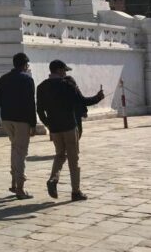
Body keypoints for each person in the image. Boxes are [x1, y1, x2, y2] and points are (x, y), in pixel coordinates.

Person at [37, 60, 104, 202]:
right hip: (69, 126)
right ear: (59, 70)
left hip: (55, 128)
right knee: (73, 159)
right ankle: (75, 191)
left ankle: (53, 179)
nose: (65, 73)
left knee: (60, 155)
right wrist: (98, 97)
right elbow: (83, 101)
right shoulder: (67, 85)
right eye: (64, 70)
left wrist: (48, 124)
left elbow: (40, 110)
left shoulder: (41, 87)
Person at [0, 53, 36, 200]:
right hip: (22, 120)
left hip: (7, 119)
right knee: (21, 152)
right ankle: (20, 188)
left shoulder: (4, 78)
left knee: (15, 149)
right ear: (25, 65)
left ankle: (14, 183)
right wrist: (33, 123)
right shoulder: (27, 79)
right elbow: (31, 103)